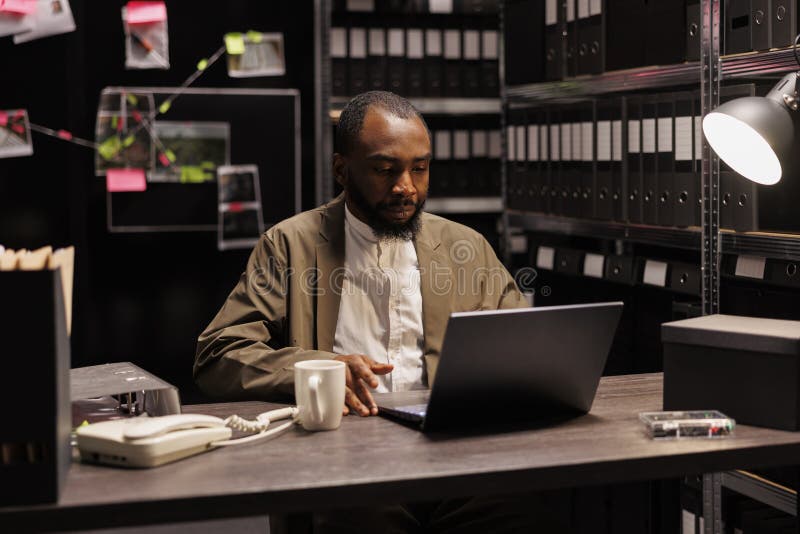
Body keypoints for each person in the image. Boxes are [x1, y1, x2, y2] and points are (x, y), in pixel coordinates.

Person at [194, 91, 569, 532]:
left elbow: (521, 342)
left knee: (526, 511)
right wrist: (319, 368)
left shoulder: (466, 249)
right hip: (344, 457)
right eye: (384, 170)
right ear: (341, 170)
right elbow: (218, 354)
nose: (405, 186)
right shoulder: (289, 245)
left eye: (420, 169)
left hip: (453, 454)